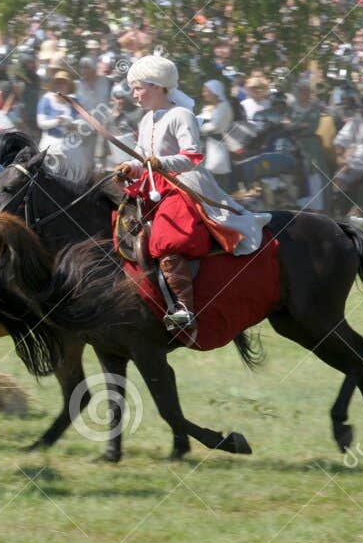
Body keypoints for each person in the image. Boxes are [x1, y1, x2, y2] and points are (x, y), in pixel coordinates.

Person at [114, 55, 270, 336]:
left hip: (183, 184)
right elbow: (143, 159)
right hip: (151, 184)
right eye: (133, 88)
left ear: (159, 86)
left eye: (138, 87)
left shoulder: (181, 115)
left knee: (169, 239)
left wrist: (161, 164)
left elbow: (192, 156)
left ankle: (184, 309)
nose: (134, 94)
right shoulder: (147, 118)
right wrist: (130, 168)